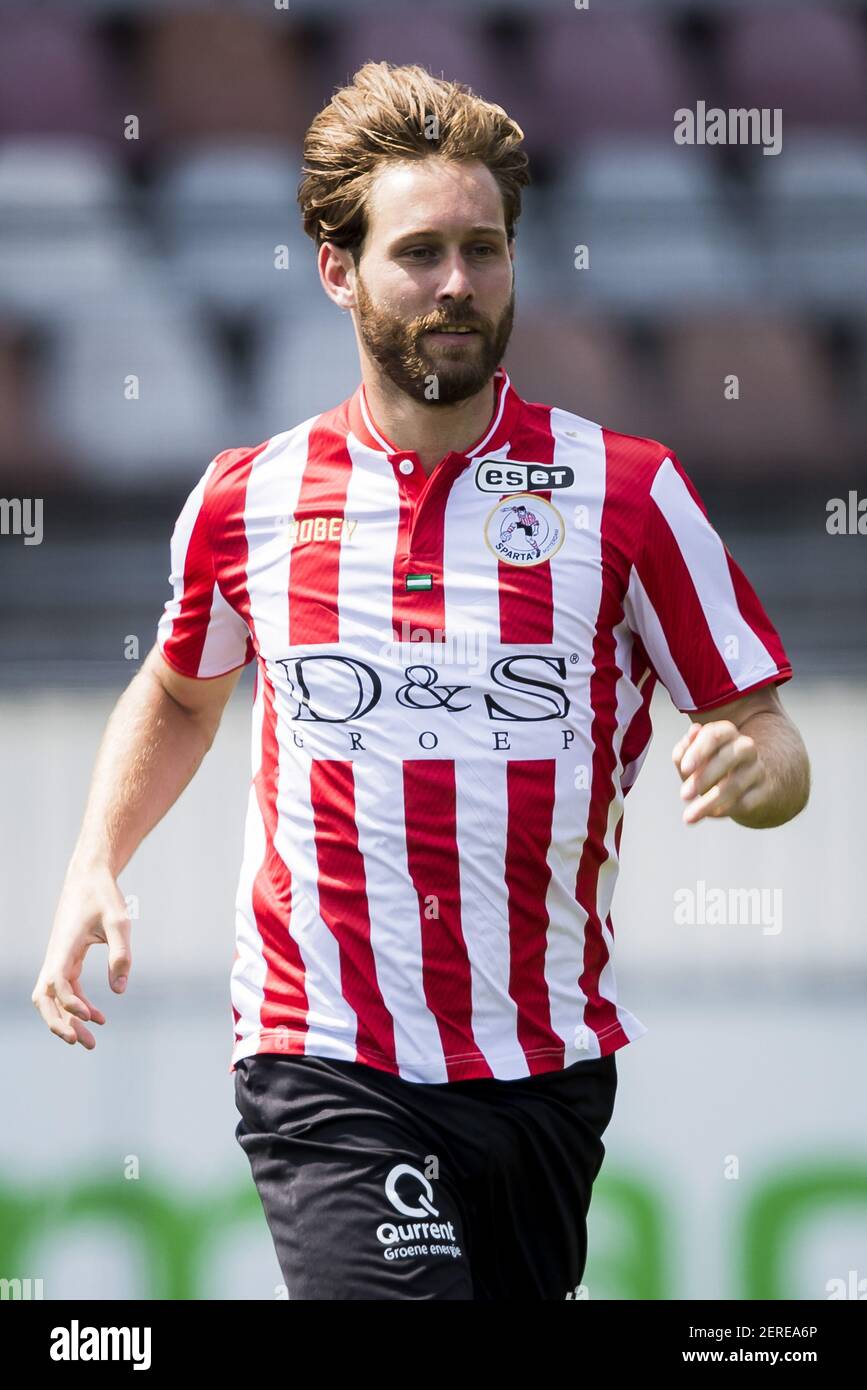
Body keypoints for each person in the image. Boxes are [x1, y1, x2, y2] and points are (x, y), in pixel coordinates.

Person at [32, 62, 811, 1300]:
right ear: (337, 270)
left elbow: (769, 735)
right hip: (324, 1050)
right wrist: (94, 858)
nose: (457, 282)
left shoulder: (629, 492)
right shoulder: (249, 498)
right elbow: (180, 692)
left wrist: (754, 772)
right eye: (420, 253)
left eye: (482, 250)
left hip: (544, 1064)